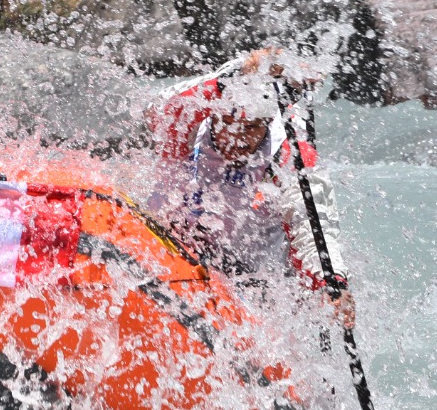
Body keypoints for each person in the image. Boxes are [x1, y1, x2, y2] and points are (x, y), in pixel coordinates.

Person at [144, 48, 357, 330]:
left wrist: (331, 282)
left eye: (252, 128)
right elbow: (156, 107)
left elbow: (314, 222)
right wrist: (240, 71)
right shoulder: (189, 121)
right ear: (214, 115)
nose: (237, 138)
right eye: (229, 124)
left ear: (268, 123)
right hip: (182, 248)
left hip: (253, 272)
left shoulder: (290, 152)